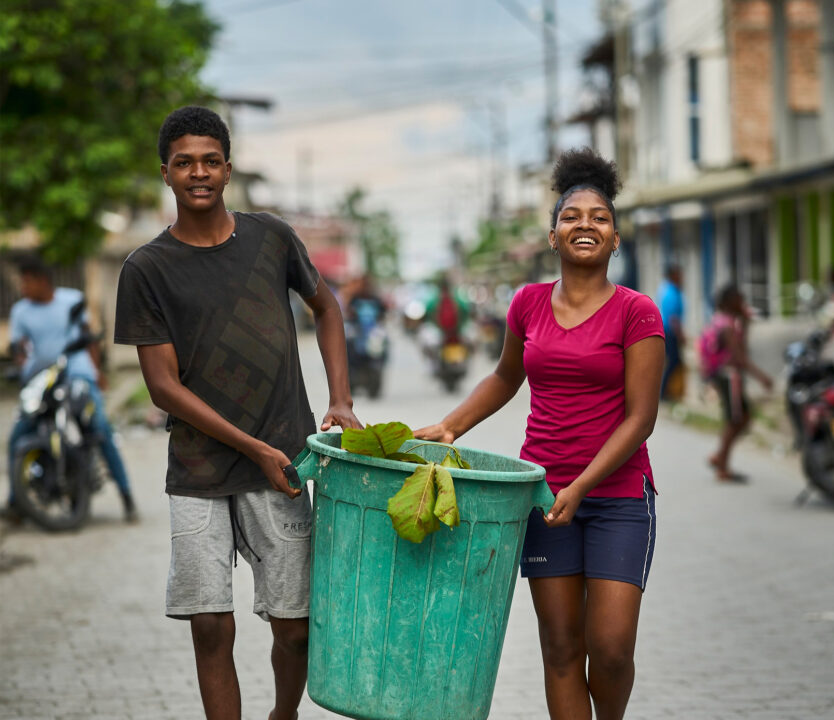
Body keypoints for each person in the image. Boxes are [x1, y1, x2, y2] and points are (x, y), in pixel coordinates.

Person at [113, 106, 361, 720]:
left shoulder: (271, 238)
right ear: (165, 174)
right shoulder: (145, 269)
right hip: (198, 470)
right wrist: (250, 446)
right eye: (184, 162)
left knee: (294, 626)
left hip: (283, 463)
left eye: (210, 160)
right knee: (209, 624)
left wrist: (340, 399)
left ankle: (283, 714)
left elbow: (326, 310)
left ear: (228, 169)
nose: (198, 172)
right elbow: (164, 388)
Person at [416, 147, 665, 719]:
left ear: (616, 239)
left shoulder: (637, 312)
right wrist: (450, 426)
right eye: (571, 217)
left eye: (599, 218)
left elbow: (641, 418)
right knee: (559, 647)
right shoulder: (528, 303)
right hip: (544, 497)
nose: (585, 225)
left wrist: (582, 486)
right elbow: (506, 376)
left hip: (619, 499)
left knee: (610, 648)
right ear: (553, 236)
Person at [5, 256, 137, 522]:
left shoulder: (71, 300)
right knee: (18, 434)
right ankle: (16, 500)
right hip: (43, 379)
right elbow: (17, 346)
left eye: (27, 281)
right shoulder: (21, 311)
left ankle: (126, 496)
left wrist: (97, 372)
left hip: (77, 374)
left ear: (43, 281)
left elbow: (89, 339)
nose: (23, 287)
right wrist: (20, 361)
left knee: (99, 427)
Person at [703, 283, 773, 482]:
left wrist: (745, 323)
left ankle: (720, 457)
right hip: (729, 376)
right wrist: (762, 378)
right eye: (739, 299)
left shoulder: (728, 321)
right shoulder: (726, 325)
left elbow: (742, 350)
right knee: (736, 420)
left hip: (729, 375)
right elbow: (740, 356)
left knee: (741, 418)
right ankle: (721, 465)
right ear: (730, 302)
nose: (743, 302)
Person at [657, 264, 685, 400]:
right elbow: (673, 318)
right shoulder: (671, 292)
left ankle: (672, 391)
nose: (681, 277)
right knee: (673, 360)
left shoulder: (669, 289)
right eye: (678, 274)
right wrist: (680, 335)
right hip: (669, 332)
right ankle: (664, 392)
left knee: (675, 360)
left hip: (668, 331)